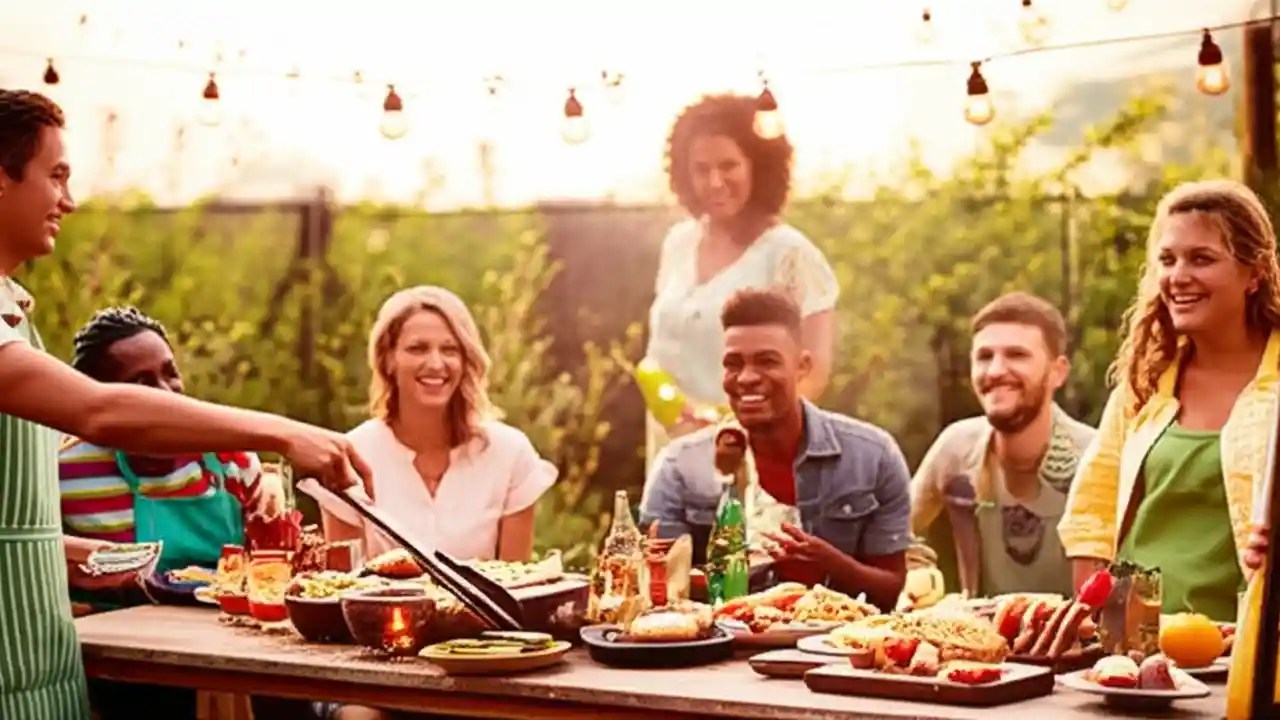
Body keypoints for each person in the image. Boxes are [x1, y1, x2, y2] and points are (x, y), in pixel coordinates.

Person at [0, 89, 368, 720]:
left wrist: (62, 553)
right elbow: (100, 412)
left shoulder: (14, 309)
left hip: (41, 661)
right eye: (55, 175)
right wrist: (284, 433)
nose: (71, 199)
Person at [1059, 179, 1280, 623]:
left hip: (1243, 652)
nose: (1178, 277)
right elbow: (1093, 514)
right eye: (1167, 259)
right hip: (1134, 648)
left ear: (1254, 273)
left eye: (1202, 258)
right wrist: (1097, 628)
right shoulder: (1145, 383)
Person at [641, 288, 909, 610]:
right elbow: (661, 592)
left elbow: (890, 590)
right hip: (717, 652)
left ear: (802, 366)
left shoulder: (873, 456)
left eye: (767, 361)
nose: (747, 377)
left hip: (835, 650)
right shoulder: (679, 467)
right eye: (733, 364)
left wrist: (831, 563)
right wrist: (729, 576)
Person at [642, 93, 839, 469]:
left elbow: (814, 374)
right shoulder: (679, 243)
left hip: (749, 457)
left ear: (758, 167)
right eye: (701, 169)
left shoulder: (789, 254)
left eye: (728, 165)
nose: (715, 182)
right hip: (669, 454)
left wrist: (747, 431)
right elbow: (659, 353)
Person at [306, 285, 557, 562]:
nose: (436, 363)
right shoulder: (350, 457)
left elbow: (517, 588)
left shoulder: (510, 453)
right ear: (388, 359)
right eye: (418, 349)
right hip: (378, 607)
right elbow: (341, 591)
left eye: (450, 349)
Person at [910, 292, 1096, 598]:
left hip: (1080, 642)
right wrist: (920, 573)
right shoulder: (956, 448)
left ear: (1058, 372)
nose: (995, 370)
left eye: (1017, 355)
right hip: (977, 639)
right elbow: (892, 532)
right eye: (984, 356)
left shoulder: (1095, 457)